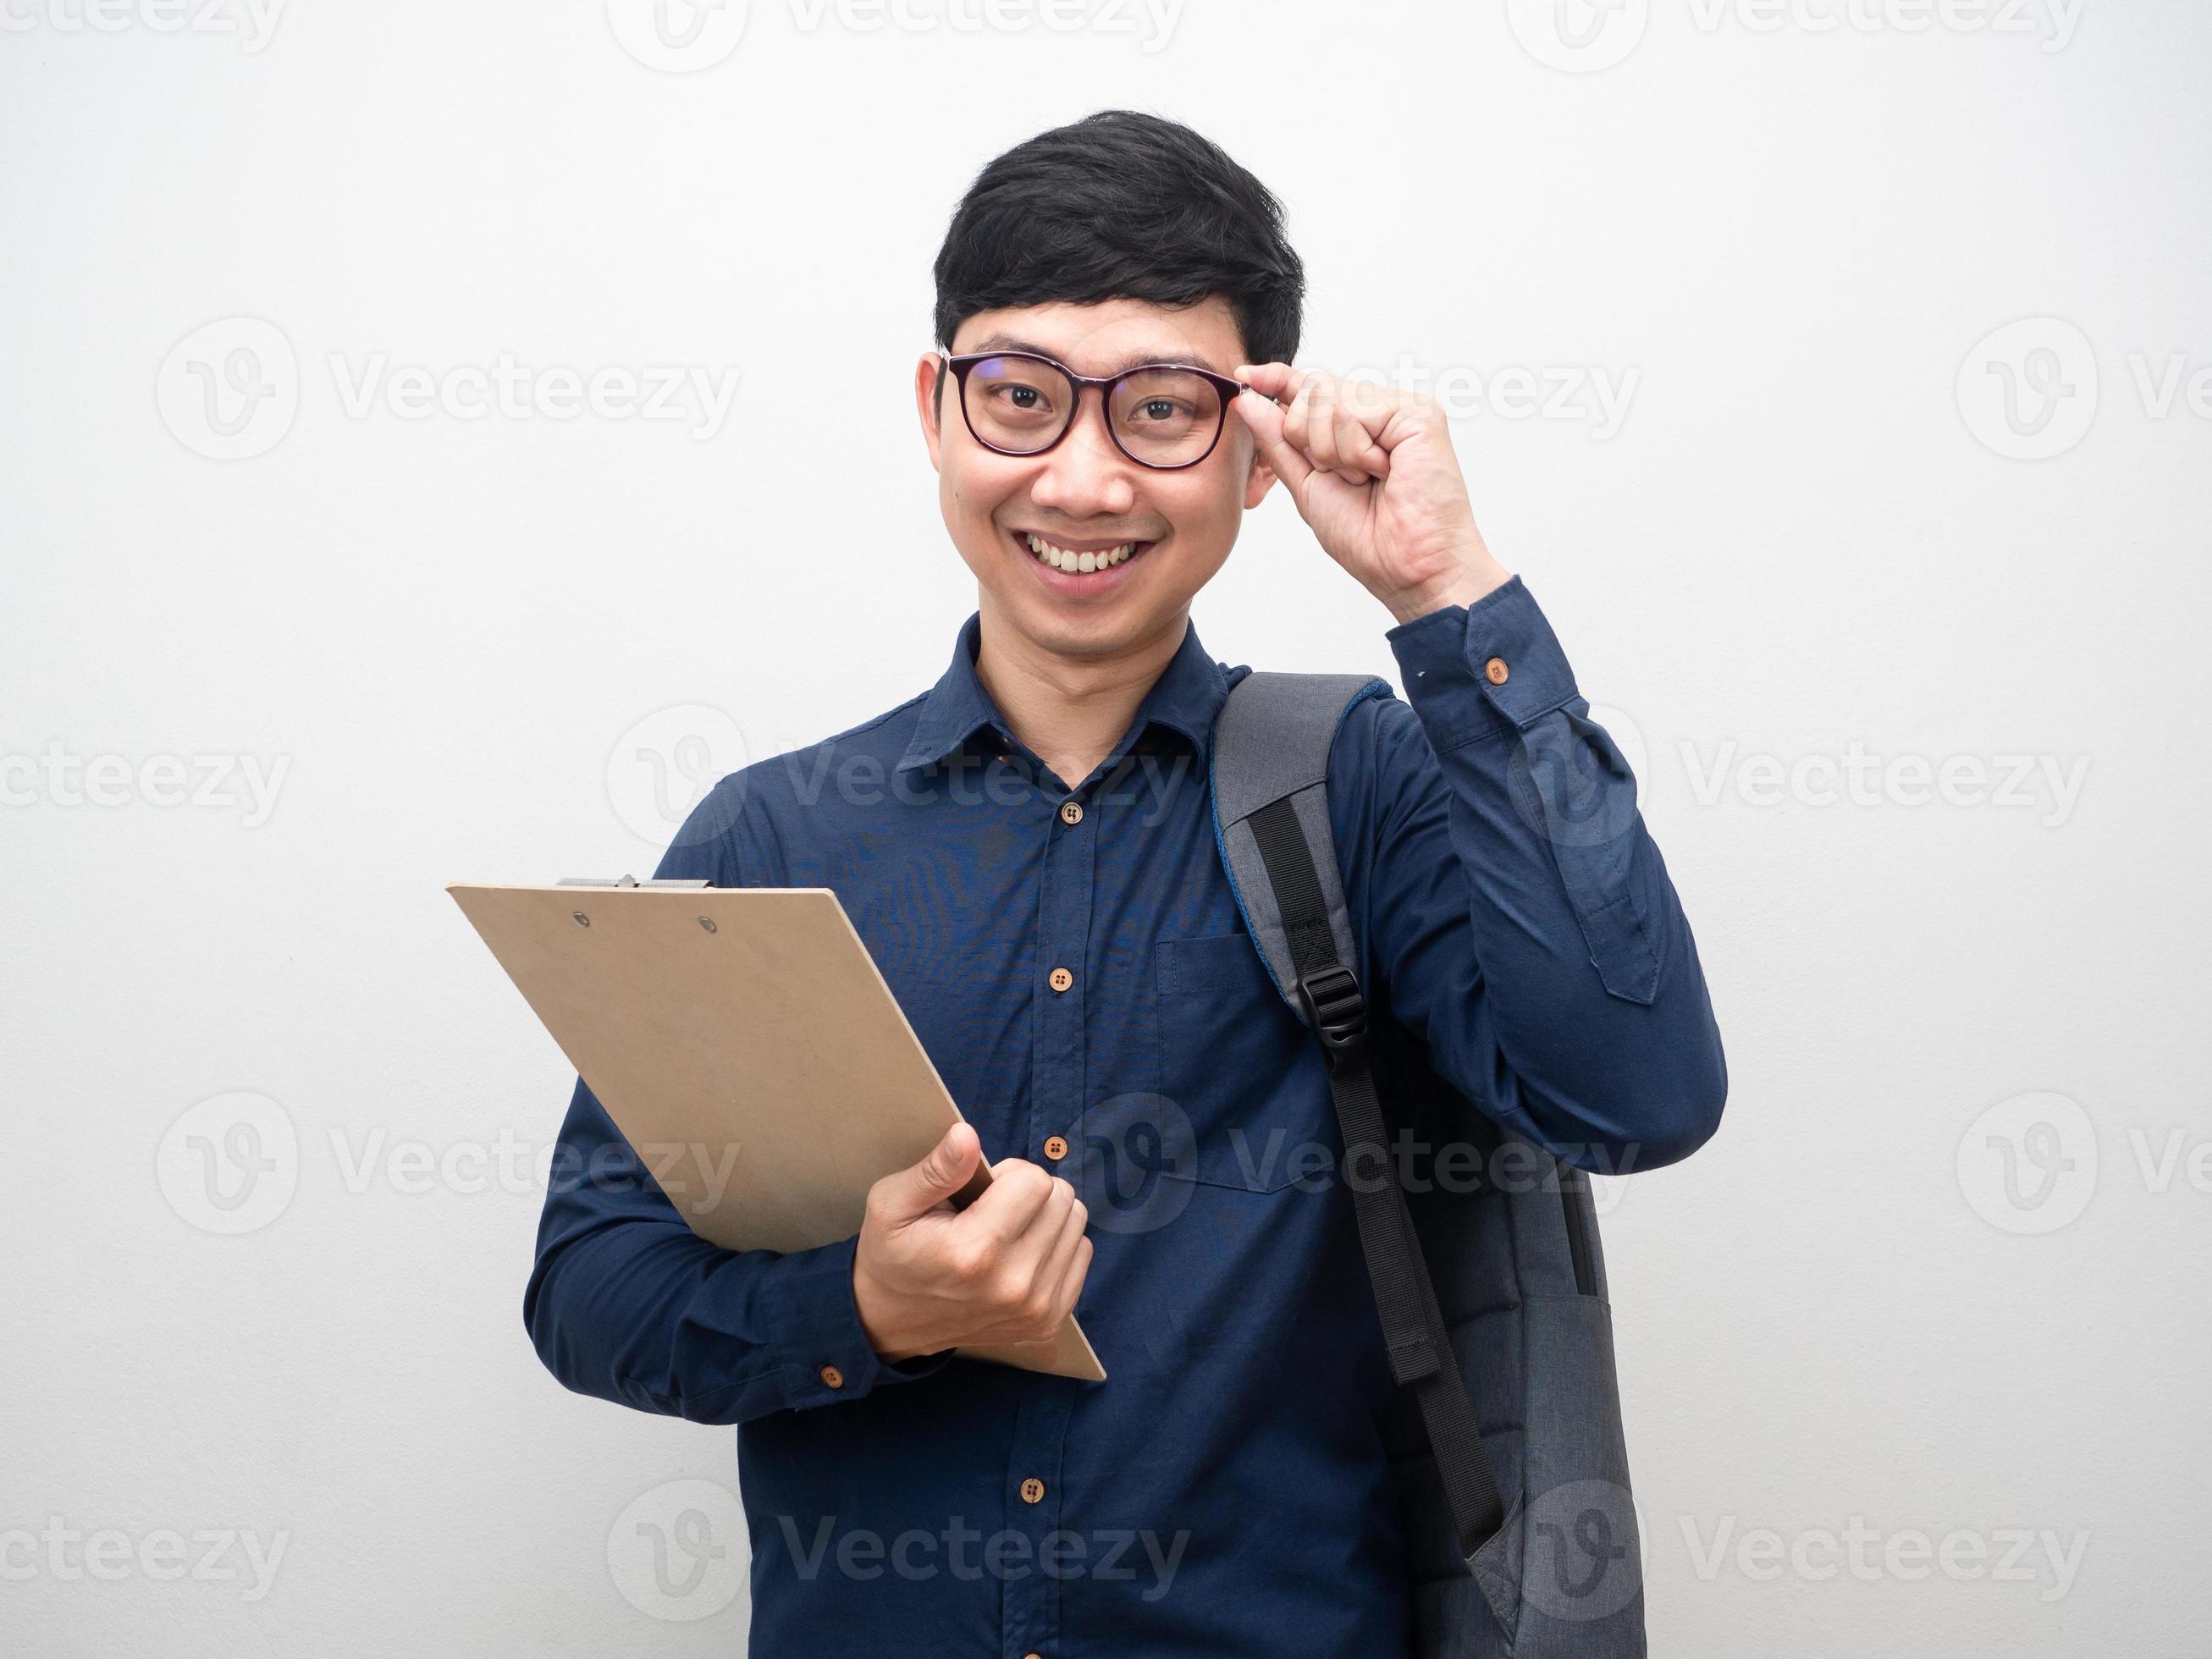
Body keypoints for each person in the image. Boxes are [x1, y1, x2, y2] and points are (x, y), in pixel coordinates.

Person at [524, 108, 1726, 1658]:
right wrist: (870, 1311)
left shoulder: (1360, 784)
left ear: (1251, 446)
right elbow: (593, 1289)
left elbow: (1636, 1097)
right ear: (937, 410)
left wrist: (1449, 592)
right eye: (1019, 398)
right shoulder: (773, 839)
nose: (1082, 483)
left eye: (1160, 410)